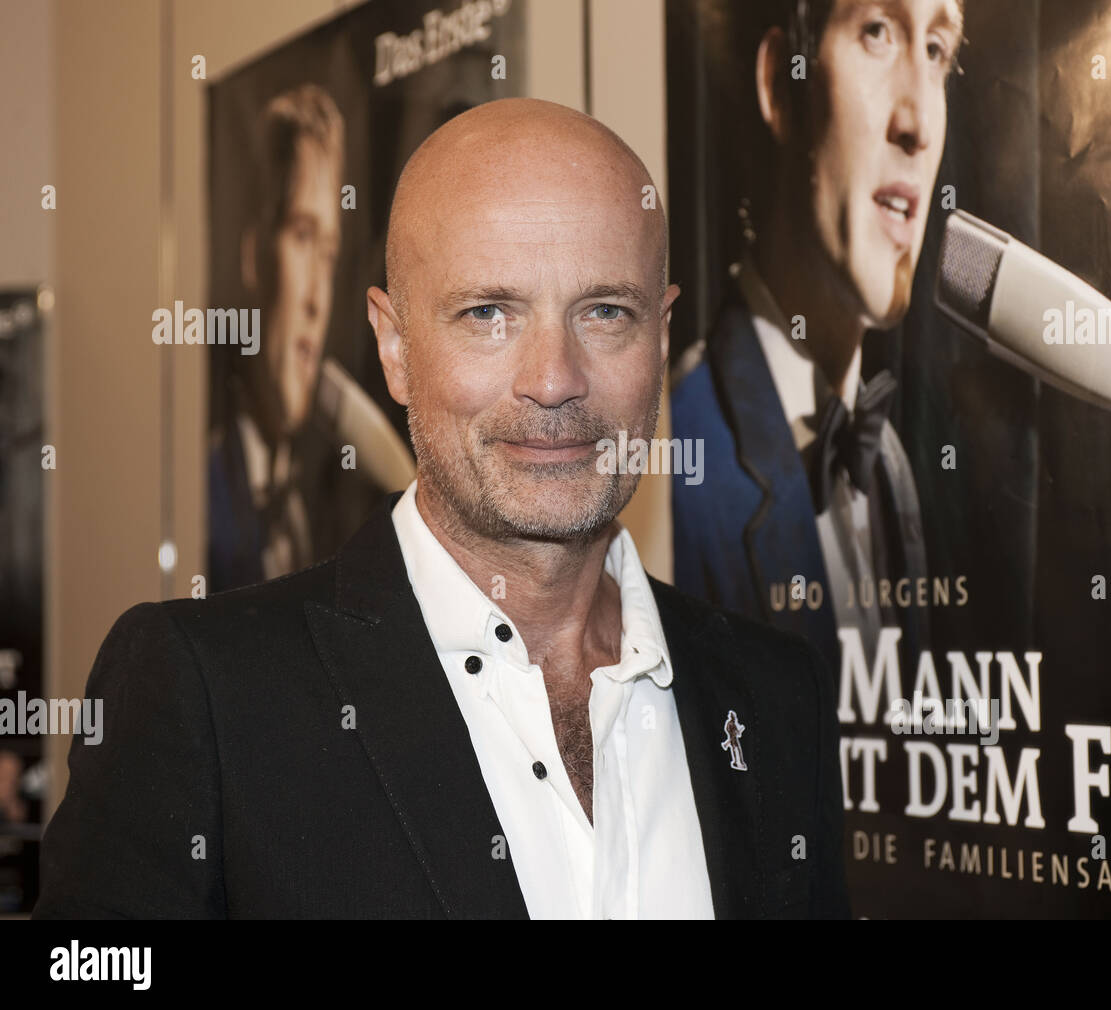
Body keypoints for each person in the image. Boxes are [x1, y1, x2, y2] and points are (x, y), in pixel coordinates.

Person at [34, 98, 849, 920]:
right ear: (394, 348)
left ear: (662, 338)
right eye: (488, 314)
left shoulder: (781, 701)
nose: (554, 377)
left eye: (605, 312)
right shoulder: (200, 697)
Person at [672, 0, 964, 674]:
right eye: (877, 32)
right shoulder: (678, 462)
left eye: (938, 51)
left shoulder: (887, 461)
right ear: (782, 87)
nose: (917, 121)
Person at [207, 83, 345, 591]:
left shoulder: (311, 509)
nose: (317, 298)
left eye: (328, 255)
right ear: (252, 257)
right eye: (303, 237)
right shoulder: (209, 495)